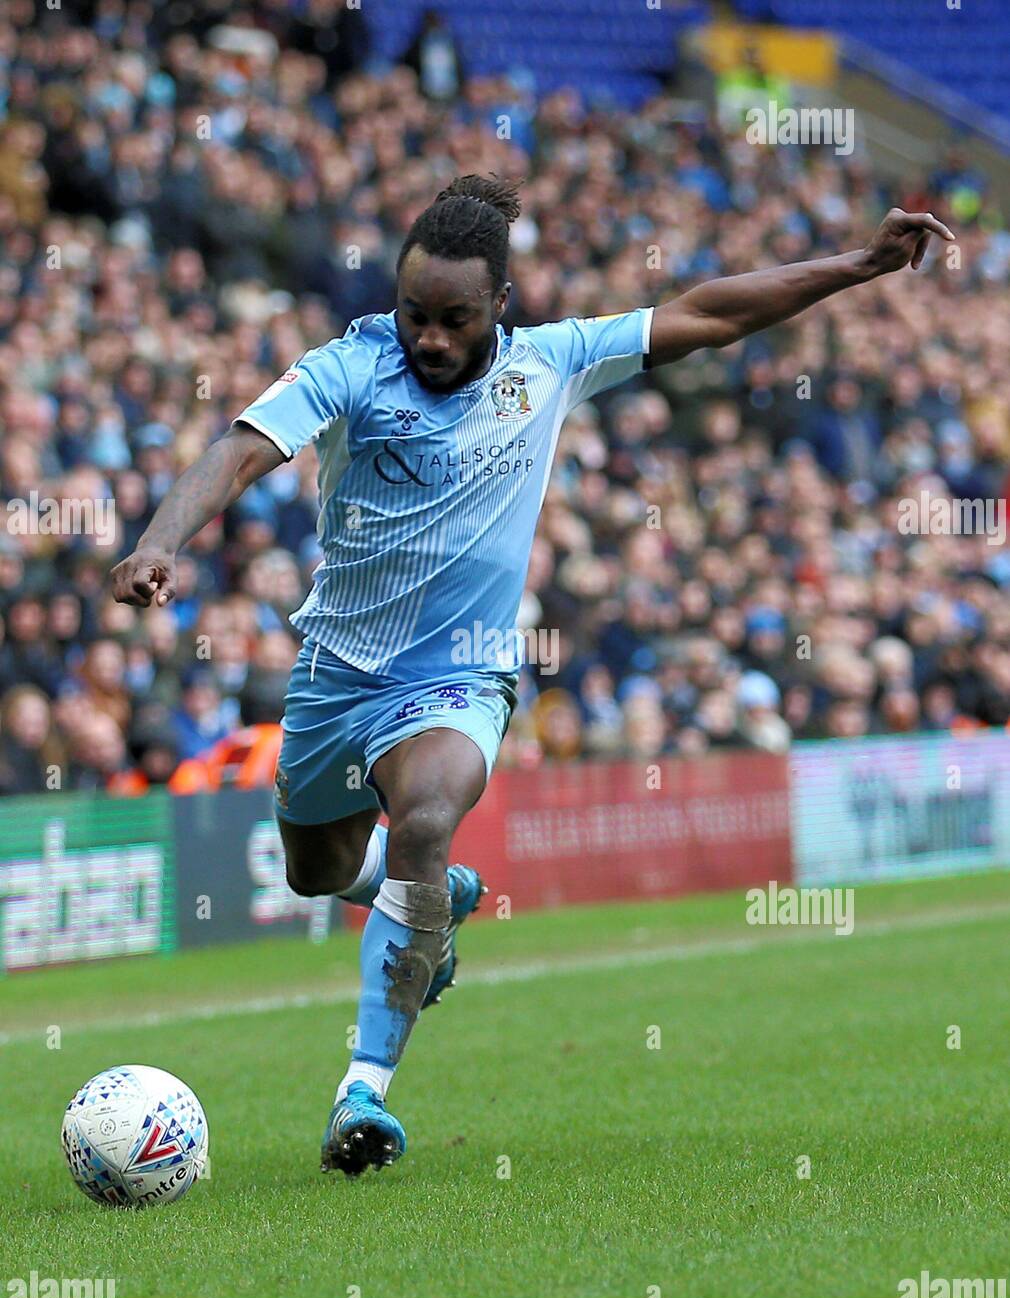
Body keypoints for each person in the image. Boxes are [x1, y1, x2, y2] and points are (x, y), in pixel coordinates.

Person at [111, 173, 954, 1178]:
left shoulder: (549, 365)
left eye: (452, 320)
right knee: (318, 872)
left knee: (422, 817)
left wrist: (858, 263)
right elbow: (239, 453)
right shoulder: (348, 367)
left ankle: (362, 1094)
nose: (427, 337)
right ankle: (434, 897)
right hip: (335, 670)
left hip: (458, 677)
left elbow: (706, 312)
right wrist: (158, 541)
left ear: (498, 309)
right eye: (413, 312)